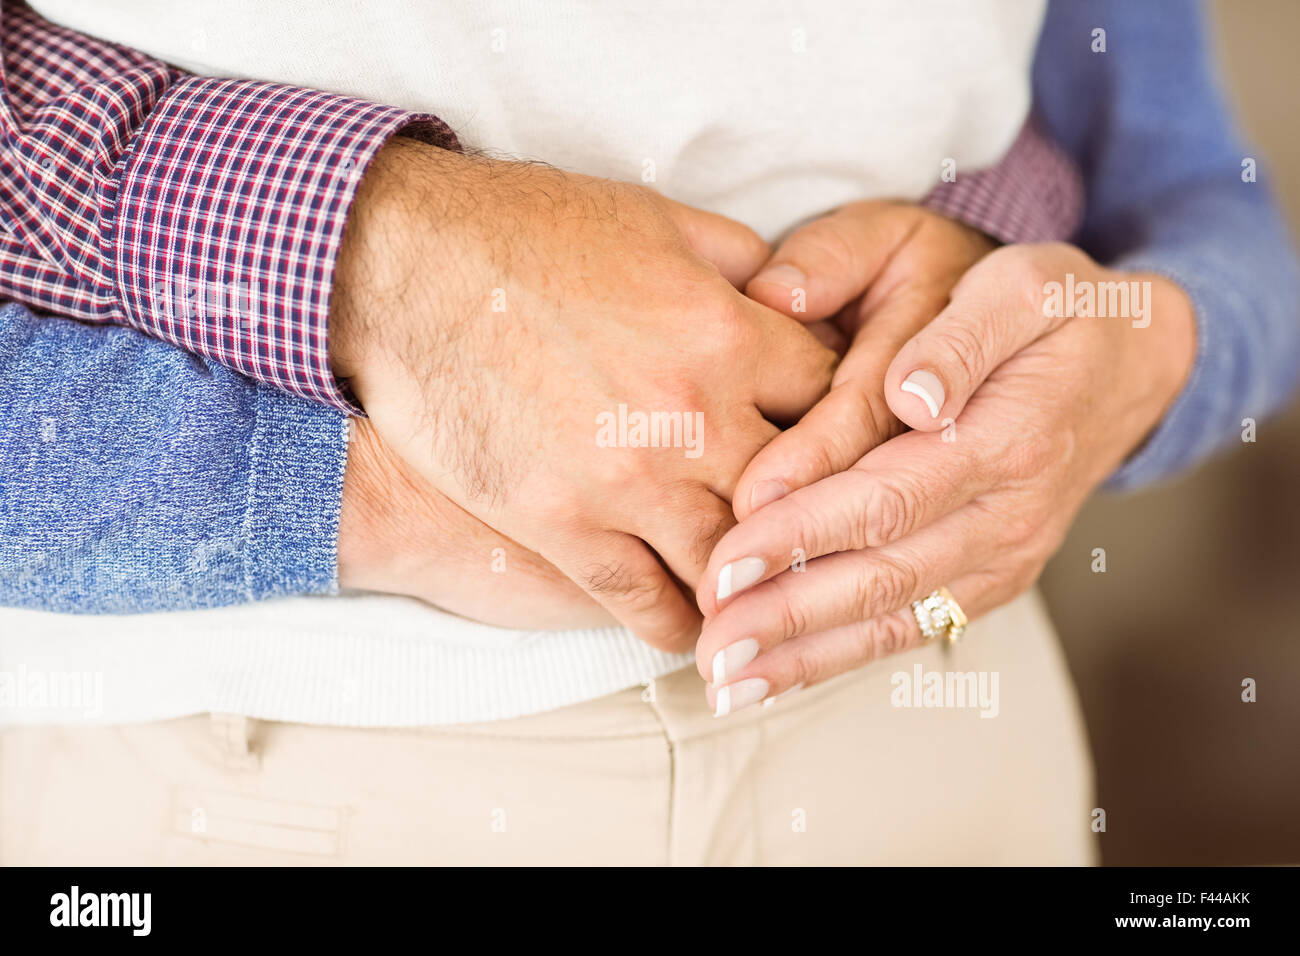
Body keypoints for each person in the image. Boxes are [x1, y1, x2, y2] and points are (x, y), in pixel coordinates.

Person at [0, 0, 1295, 864]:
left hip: (951, 716)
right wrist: (350, 483)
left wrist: (1145, 348)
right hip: (284, 772)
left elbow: (1200, 205)